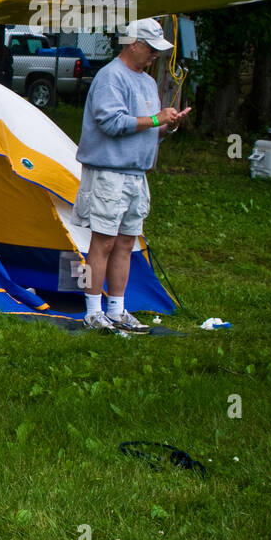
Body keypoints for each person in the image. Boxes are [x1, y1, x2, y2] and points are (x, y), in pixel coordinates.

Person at [73, 18, 190, 332]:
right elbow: (112, 124)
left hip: (137, 175)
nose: (155, 56)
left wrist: (168, 126)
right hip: (108, 174)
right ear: (134, 44)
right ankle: (93, 311)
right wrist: (155, 119)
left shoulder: (148, 82)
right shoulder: (110, 77)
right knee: (104, 243)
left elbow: (147, 130)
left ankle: (117, 309)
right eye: (151, 49)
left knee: (126, 243)